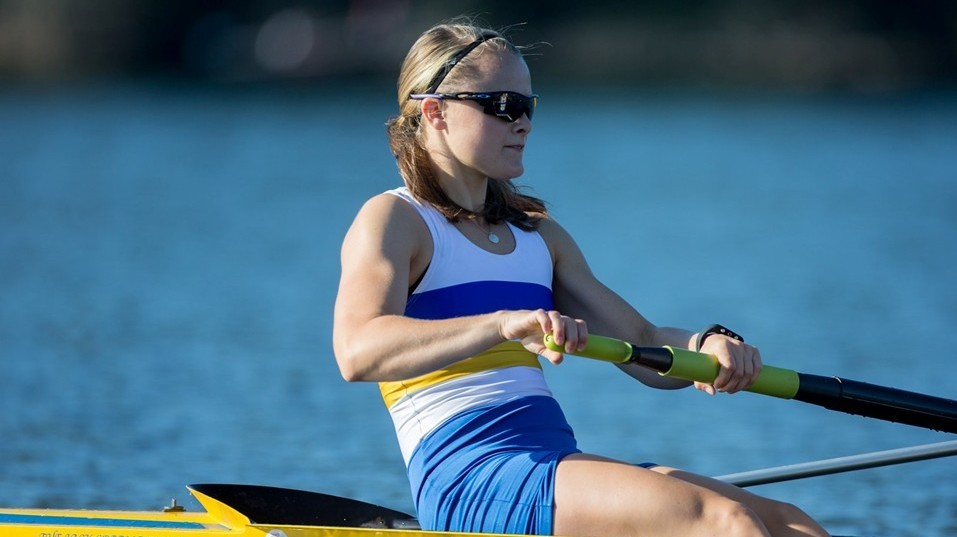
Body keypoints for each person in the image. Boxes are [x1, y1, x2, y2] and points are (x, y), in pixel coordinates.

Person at [333, 19, 830, 537]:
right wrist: (502, 325)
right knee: (727, 522)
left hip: (551, 462)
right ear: (435, 111)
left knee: (792, 524)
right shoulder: (395, 220)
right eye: (503, 106)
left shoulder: (538, 236)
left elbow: (643, 344)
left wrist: (709, 345)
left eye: (529, 106)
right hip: (469, 477)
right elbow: (357, 351)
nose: (524, 124)